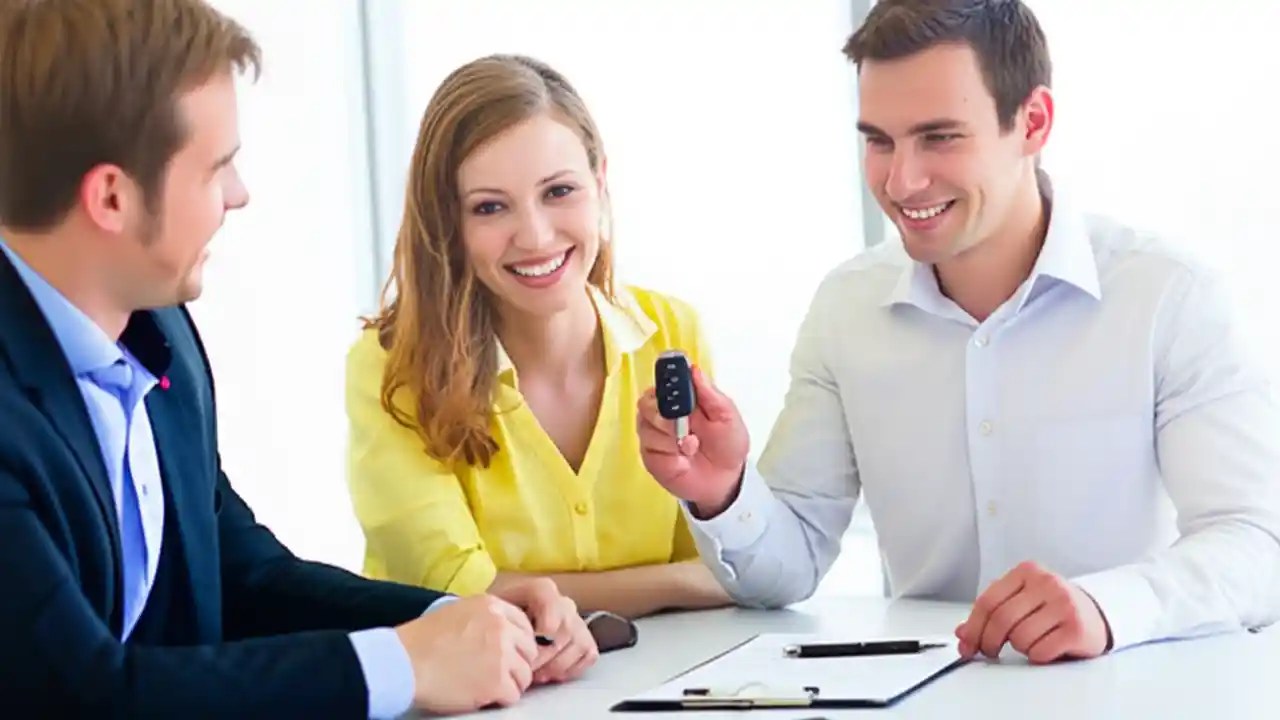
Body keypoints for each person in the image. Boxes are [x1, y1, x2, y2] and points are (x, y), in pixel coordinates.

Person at [637, 0, 1280, 665]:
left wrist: (1105, 606)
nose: (900, 180)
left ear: (1032, 122)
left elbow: (1257, 545)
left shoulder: (1167, 295)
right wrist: (723, 493)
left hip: (1125, 692)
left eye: (939, 137)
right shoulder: (846, 309)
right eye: (879, 140)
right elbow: (788, 569)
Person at [0, 1, 597, 717]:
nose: (238, 195)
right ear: (112, 197)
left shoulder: (160, 333)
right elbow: (77, 692)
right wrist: (400, 667)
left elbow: (244, 577)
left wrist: (456, 617)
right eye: (217, 168)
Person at [345, 53, 731, 620]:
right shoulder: (390, 368)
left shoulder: (672, 334)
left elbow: (713, 554)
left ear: (599, 183)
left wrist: (706, 568)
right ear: (449, 224)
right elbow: (464, 595)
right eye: (490, 207)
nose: (535, 235)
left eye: (558, 192)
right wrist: (684, 584)